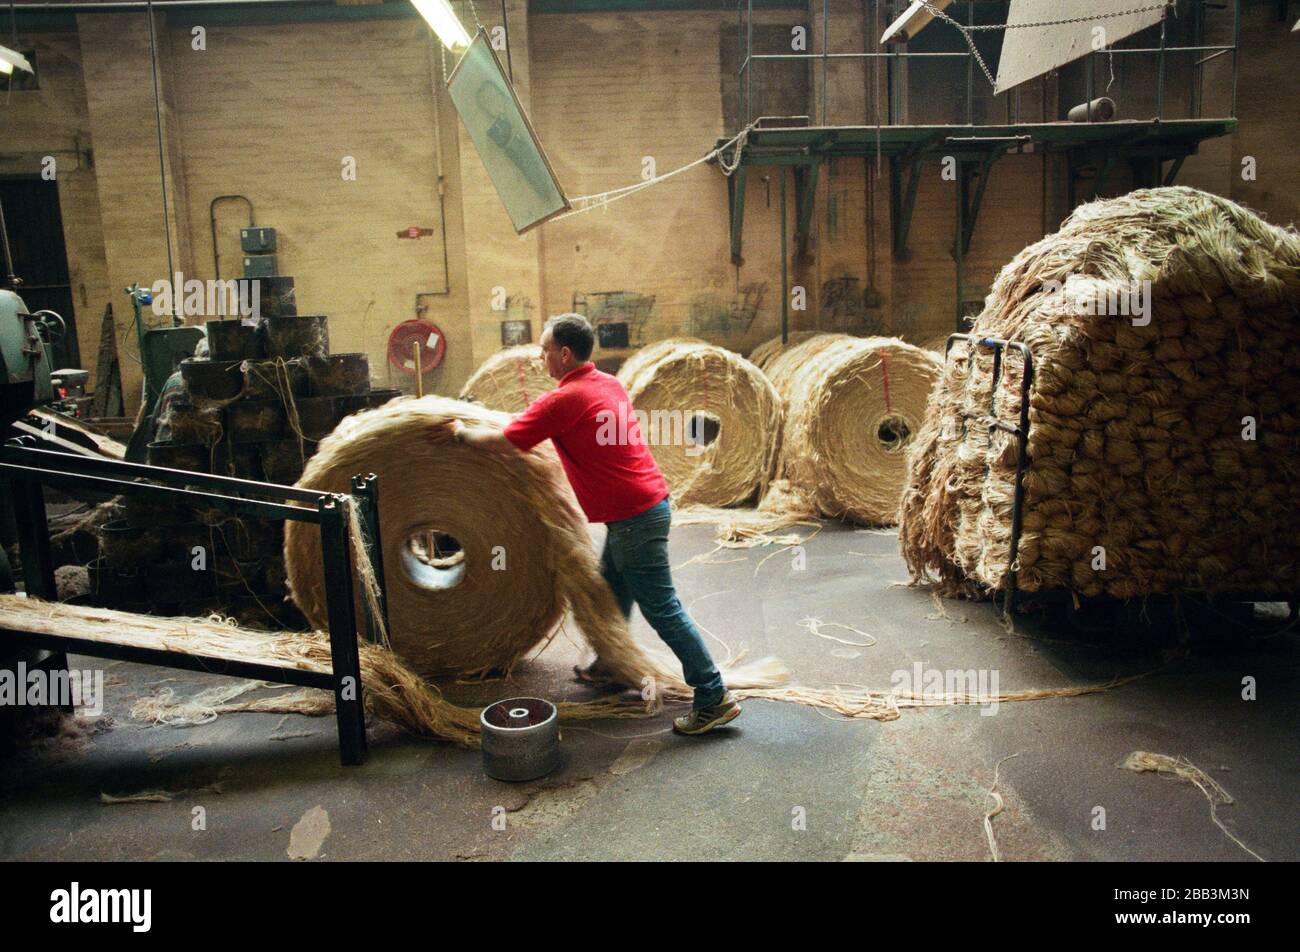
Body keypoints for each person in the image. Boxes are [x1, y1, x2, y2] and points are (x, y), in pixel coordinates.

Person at [428, 313, 740, 735]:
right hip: (643, 507)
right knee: (610, 587)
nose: (540, 357)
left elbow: (508, 440)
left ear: (565, 353)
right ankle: (613, 665)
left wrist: (462, 435)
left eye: (544, 350)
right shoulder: (607, 384)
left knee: (662, 608)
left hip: (635, 516)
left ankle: (712, 696)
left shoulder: (565, 399)